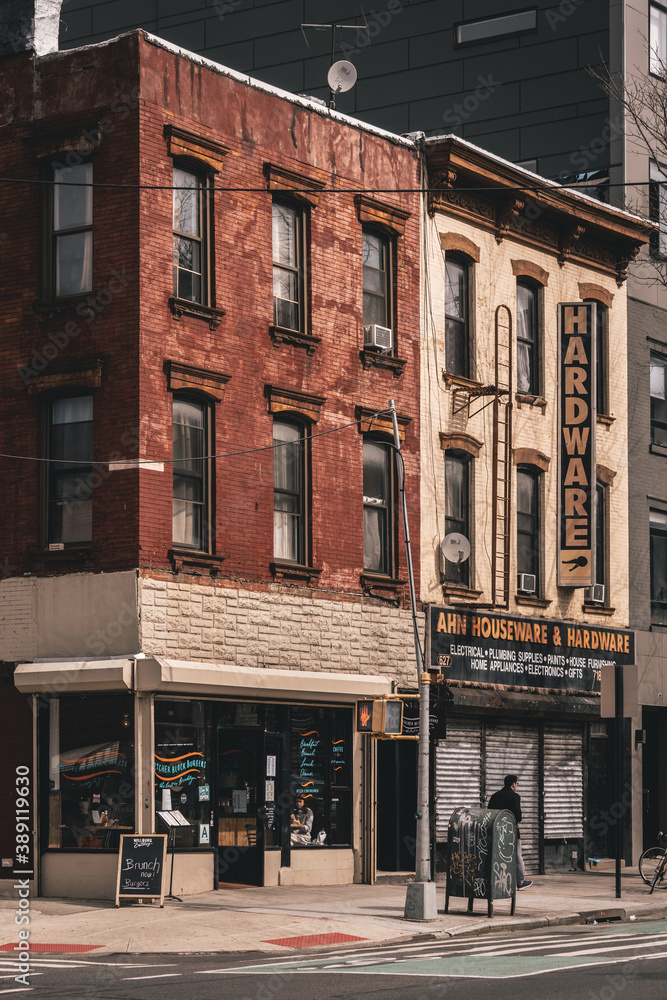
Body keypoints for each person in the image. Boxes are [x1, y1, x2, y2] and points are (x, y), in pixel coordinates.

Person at [488, 773, 533, 890]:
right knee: (517, 856)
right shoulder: (515, 796)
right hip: (511, 832)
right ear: (513, 784)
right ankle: (520, 882)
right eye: (517, 784)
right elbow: (518, 817)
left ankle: (497, 880)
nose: (516, 786)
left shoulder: (494, 796)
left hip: (497, 831)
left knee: (497, 855)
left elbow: (489, 814)